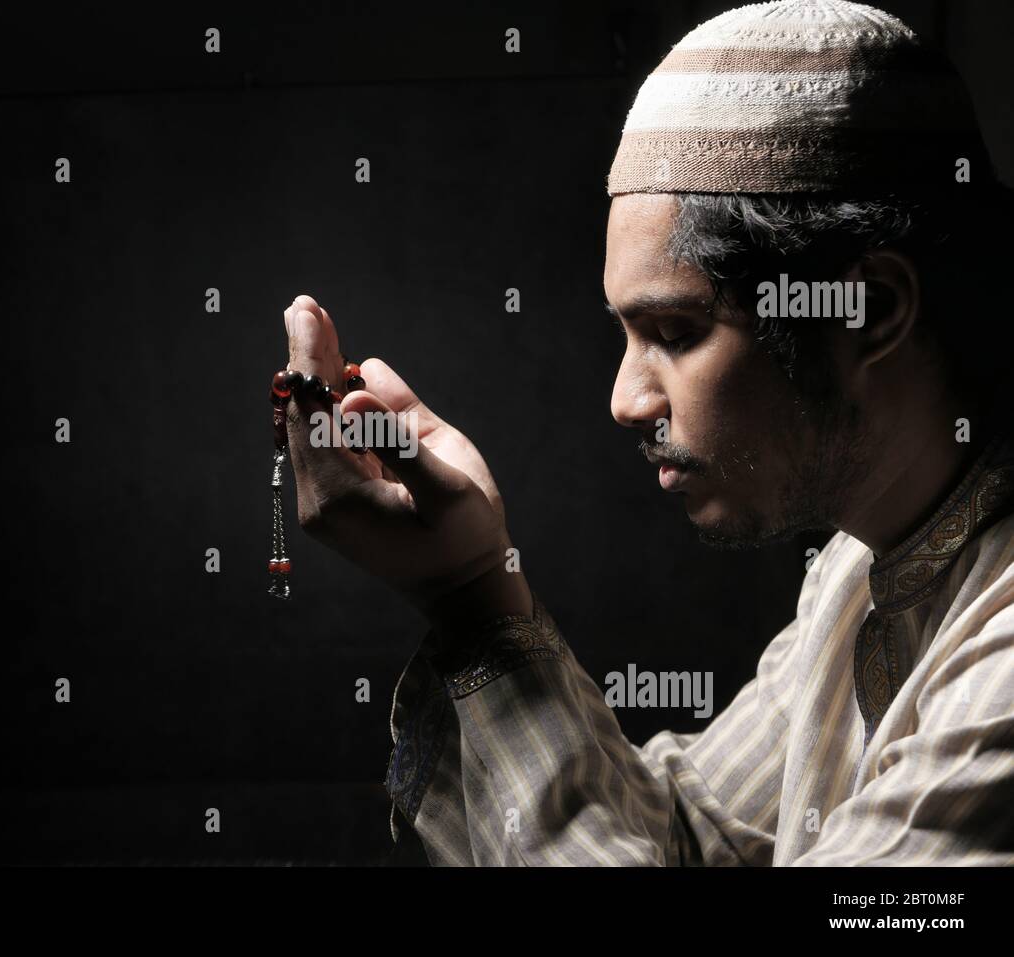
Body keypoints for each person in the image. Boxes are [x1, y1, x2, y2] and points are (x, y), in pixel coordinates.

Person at [278, 0, 1014, 865]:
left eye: (676, 332)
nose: (627, 400)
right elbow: (692, 837)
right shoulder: (859, 567)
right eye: (625, 332)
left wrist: (469, 597)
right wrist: (478, 578)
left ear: (870, 308)